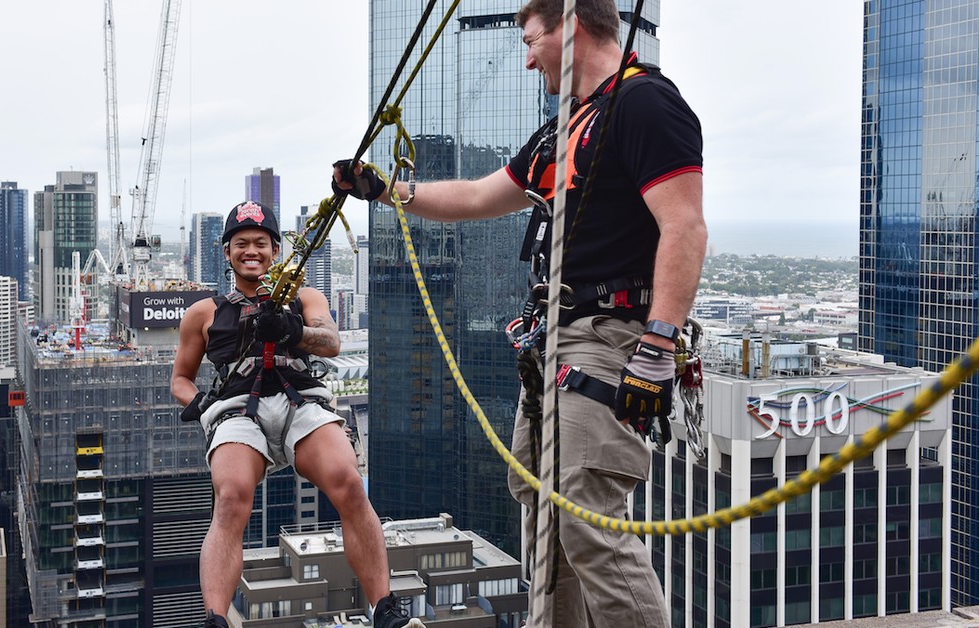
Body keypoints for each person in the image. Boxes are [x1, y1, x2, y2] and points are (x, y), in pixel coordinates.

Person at [334, 0, 705, 625]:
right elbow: (480, 195)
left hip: (605, 339)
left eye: (533, 40)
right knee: (544, 518)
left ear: (572, 25)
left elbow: (685, 227)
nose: (528, 58)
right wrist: (388, 190)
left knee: (588, 524)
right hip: (555, 347)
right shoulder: (566, 126)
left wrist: (657, 346)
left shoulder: (644, 104)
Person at [171, 201, 424, 628]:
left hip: (300, 400)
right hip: (237, 409)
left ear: (275, 250)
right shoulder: (204, 313)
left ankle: (385, 608)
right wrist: (198, 404)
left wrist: (293, 331)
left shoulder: (304, 297)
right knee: (231, 498)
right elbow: (181, 378)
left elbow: (330, 342)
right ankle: (215, 618)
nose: (251, 251)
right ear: (227, 251)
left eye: (261, 244)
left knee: (348, 482)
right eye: (241, 244)